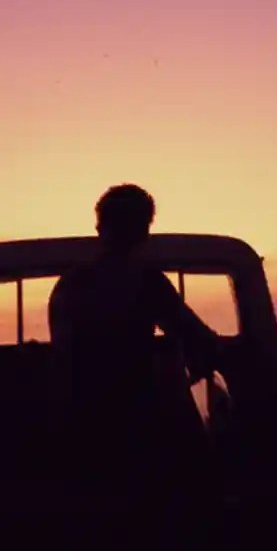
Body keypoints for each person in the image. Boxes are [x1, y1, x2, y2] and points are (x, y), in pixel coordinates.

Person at [47, 184, 219, 462]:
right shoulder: (147, 282)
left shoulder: (69, 284)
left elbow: (63, 349)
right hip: (134, 419)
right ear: (143, 232)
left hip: (74, 419)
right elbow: (193, 334)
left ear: (101, 228)